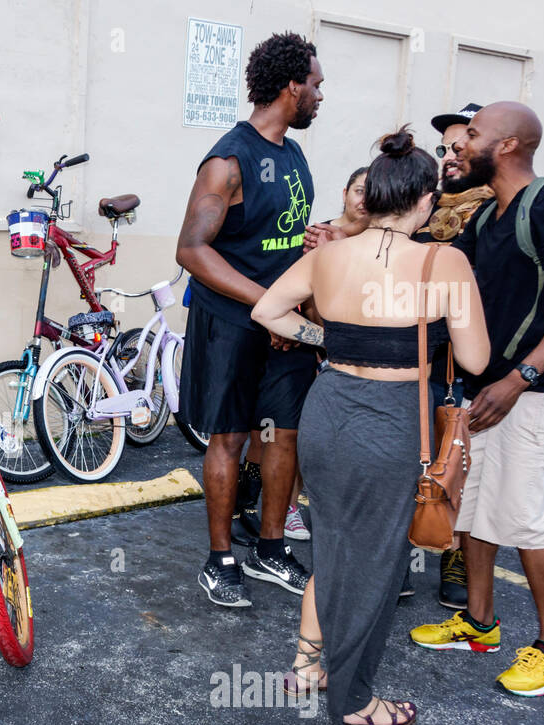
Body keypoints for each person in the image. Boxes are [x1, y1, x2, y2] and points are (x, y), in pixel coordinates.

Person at [253, 128, 489, 725]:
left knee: (333, 544)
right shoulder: (445, 260)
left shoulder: (328, 256)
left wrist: (326, 337)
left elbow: (266, 310)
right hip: (391, 420)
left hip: (327, 408)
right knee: (378, 562)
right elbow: (479, 359)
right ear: (424, 200)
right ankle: (354, 700)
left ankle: (310, 668)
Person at [410, 102, 544, 698]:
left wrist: (520, 377)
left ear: (511, 144)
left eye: (473, 136)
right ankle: (480, 624)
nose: (459, 146)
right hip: (487, 394)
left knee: (526, 519)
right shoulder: (489, 213)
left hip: (537, 394)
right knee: (474, 513)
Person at [176, 32, 323, 607]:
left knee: (284, 436)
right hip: (233, 324)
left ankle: (270, 548)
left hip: (282, 329)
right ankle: (220, 559)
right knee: (231, 437)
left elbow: (279, 235)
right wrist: (267, 303)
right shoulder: (228, 160)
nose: (319, 95)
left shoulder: (292, 151)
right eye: (315, 85)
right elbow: (192, 250)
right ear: (291, 86)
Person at [410, 103, 493, 610]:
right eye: (444, 148)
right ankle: (403, 549)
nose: (449, 155)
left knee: (460, 459)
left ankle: (454, 555)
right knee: (413, 453)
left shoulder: (493, 211)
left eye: (460, 146)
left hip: (469, 359)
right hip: (421, 355)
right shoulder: (426, 204)